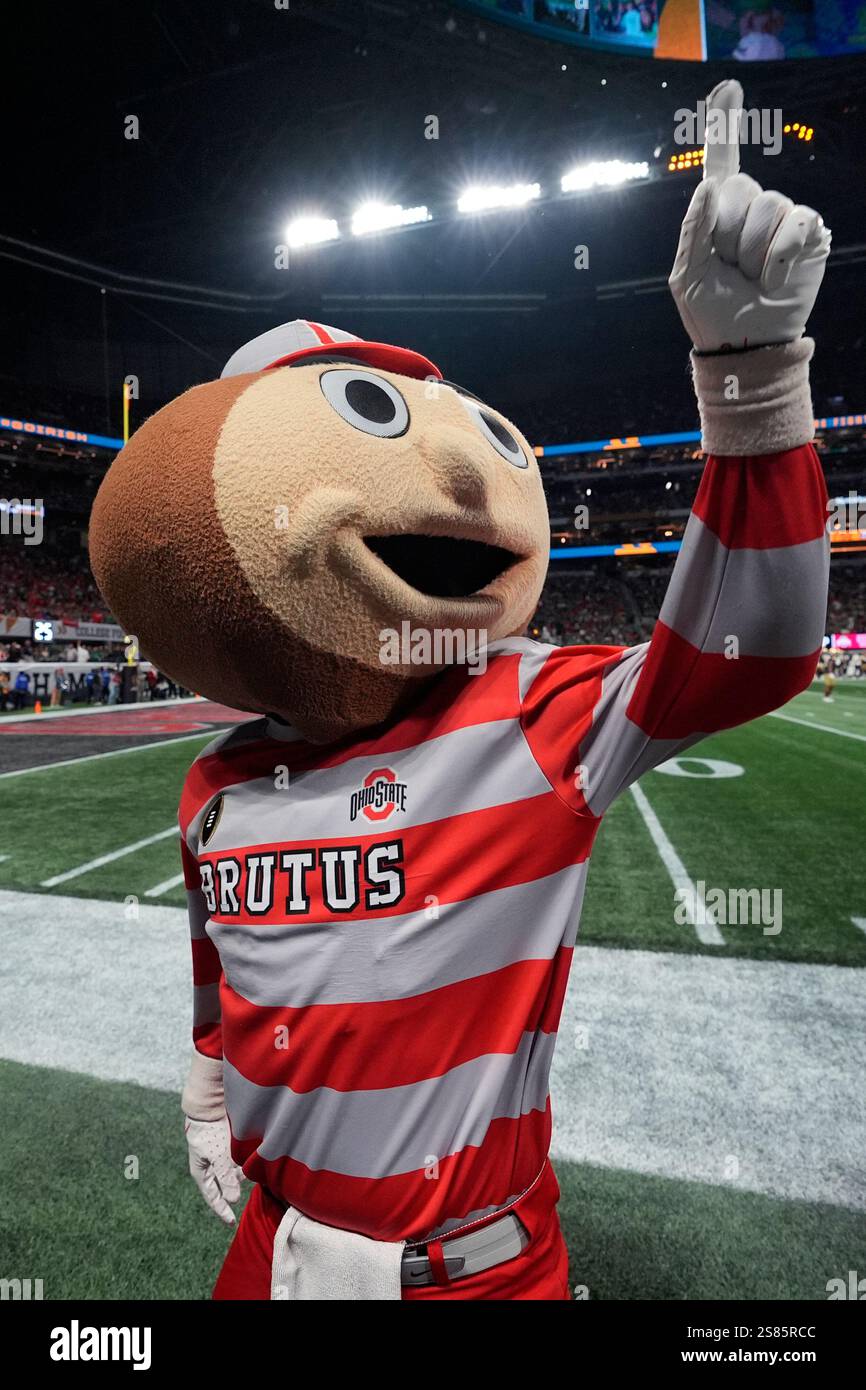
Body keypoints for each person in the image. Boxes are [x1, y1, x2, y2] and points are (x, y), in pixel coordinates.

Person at [90, 80, 832, 1301]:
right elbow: (219, 972)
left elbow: (752, 646)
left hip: (467, 1271)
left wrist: (749, 380)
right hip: (268, 1250)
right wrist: (210, 1071)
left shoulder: (532, 713)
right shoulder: (212, 790)